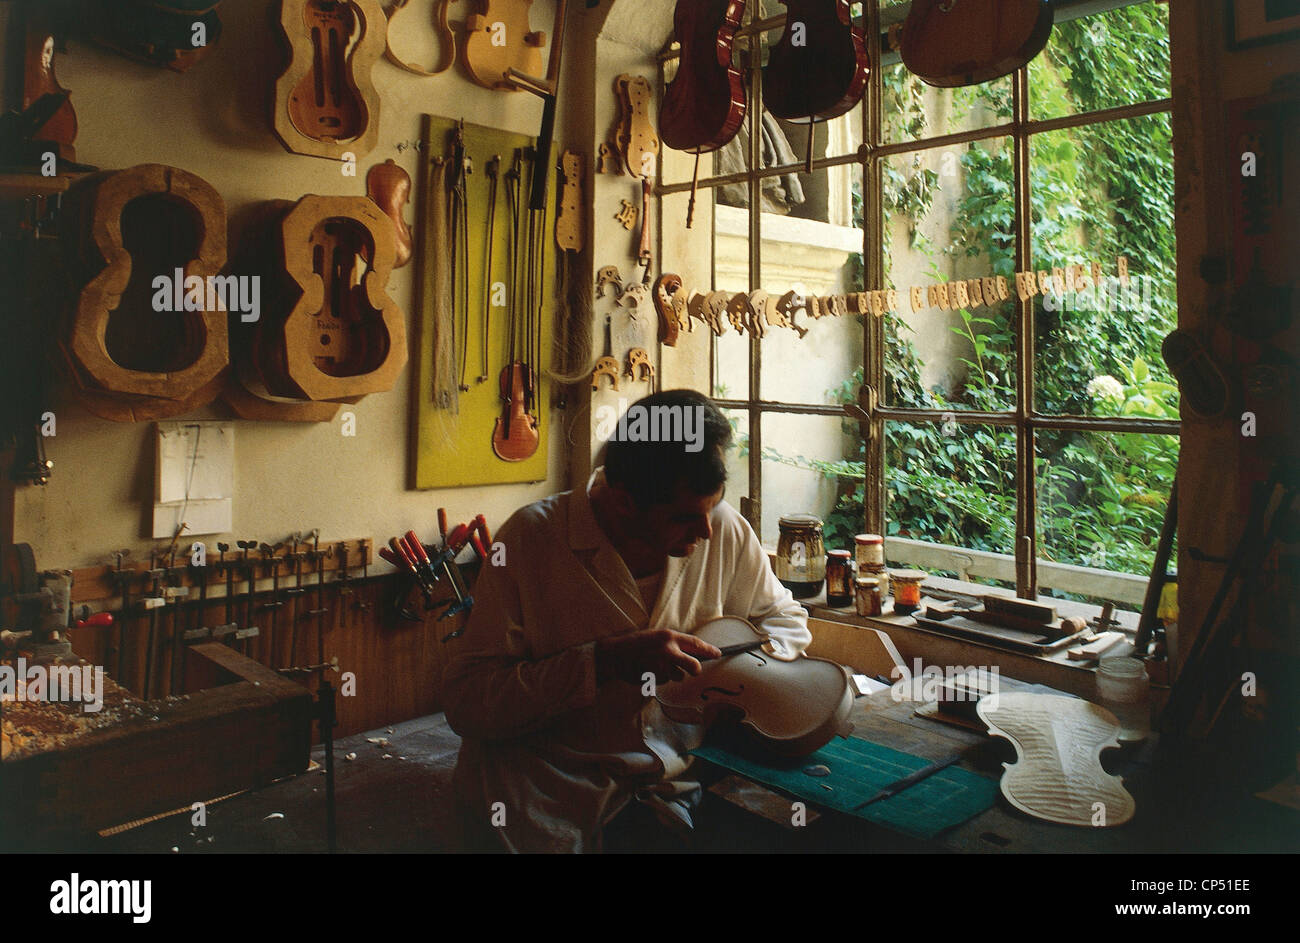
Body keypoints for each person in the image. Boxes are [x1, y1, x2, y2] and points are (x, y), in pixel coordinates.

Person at [442, 390, 811, 852]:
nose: (707, 532)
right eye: (684, 518)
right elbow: (467, 702)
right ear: (622, 503)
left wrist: (738, 676)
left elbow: (784, 619)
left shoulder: (722, 528)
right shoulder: (528, 541)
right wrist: (601, 662)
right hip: (550, 785)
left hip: (673, 777)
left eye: (711, 510)